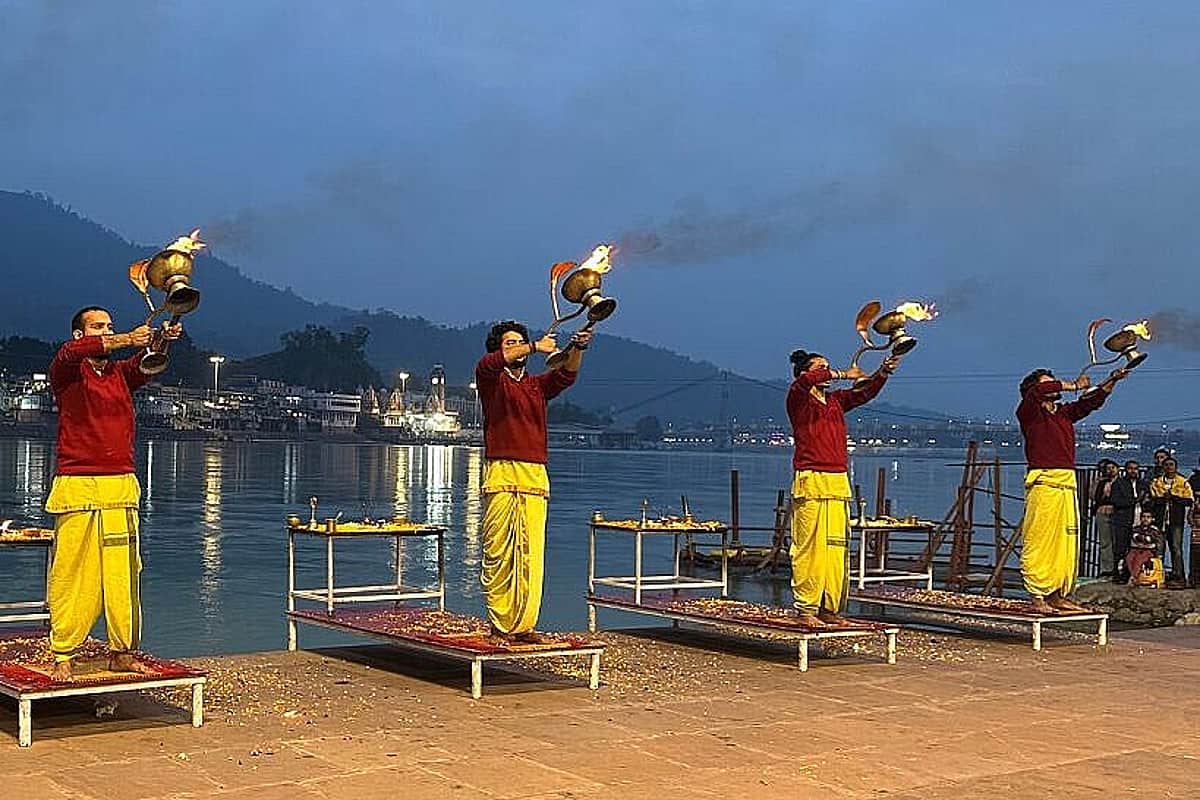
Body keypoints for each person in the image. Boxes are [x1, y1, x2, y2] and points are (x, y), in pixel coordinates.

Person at [46, 306, 181, 681]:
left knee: (124, 576)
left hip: (120, 485)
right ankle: (63, 652)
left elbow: (149, 365)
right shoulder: (68, 371)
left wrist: (162, 341)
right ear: (80, 334)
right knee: (71, 573)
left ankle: (121, 651)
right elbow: (68, 354)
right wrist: (125, 339)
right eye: (99, 327)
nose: (108, 331)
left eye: (110, 326)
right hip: (78, 485)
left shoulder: (120, 374)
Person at [474, 321, 591, 641]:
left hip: (534, 474)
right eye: (508, 344)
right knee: (498, 551)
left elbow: (566, 376)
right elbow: (487, 363)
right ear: (499, 348)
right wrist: (536, 346)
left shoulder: (536, 386)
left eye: (519, 342)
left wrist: (577, 347)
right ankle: (500, 623)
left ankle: (524, 625)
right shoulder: (491, 381)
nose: (514, 348)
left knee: (530, 554)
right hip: (500, 471)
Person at [786, 349, 901, 628]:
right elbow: (804, 383)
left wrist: (883, 371)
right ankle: (806, 608)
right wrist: (842, 374)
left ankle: (830, 607)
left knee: (835, 549)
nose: (827, 372)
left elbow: (864, 393)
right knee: (809, 548)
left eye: (828, 367)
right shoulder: (799, 398)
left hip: (837, 481)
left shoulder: (835, 401)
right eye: (820, 368)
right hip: (811, 480)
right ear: (806, 372)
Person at [1015, 366, 1129, 615]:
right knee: (1040, 540)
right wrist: (1073, 384)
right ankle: (1037, 595)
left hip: (1066, 483)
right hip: (1044, 483)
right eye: (1050, 383)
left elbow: (1091, 402)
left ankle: (1057, 595)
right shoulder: (1029, 411)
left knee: (1066, 542)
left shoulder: (1063, 414)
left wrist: (1112, 380)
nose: (1054, 385)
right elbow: (1038, 391)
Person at [1149, 457, 1194, 586]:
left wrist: (1174, 498)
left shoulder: (1183, 482)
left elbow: (1189, 500)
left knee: (1176, 548)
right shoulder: (1156, 482)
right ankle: (1158, 575)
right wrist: (1163, 499)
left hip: (1176, 521)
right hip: (1160, 521)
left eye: (1171, 465)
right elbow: (1153, 499)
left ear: (1176, 467)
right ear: (1163, 467)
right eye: (1166, 465)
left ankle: (1178, 575)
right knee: (1159, 549)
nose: (1169, 467)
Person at [1110, 460, 1148, 583]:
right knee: (1121, 548)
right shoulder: (1119, 483)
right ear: (1125, 470)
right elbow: (1115, 501)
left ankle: (1134, 574)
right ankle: (1118, 575)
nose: (1133, 471)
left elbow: (1148, 499)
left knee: (1136, 548)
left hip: (1140, 519)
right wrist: (1134, 501)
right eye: (1131, 468)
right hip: (1123, 520)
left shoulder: (1143, 484)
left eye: (1136, 468)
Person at [1091, 459, 1119, 577]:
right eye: (1107, 468)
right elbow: (1093, 496)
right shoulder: (1099, 482)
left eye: (1113, 468)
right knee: (1105, 542)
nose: (1109, 471)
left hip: (1117, 512)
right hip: (1102, 511)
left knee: (1117, 541)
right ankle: (1106, 569)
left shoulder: (1121, 482)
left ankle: (1117, 568)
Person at [1125, 510, 1162, 586]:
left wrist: (1142, 539)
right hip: (1136, 549)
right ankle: (1134, 577)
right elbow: (1134, 537)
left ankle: (1133, 577)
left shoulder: (1154, 530)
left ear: (1152, 519)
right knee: (1129, 558)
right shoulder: (1136, 528)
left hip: (1149, 551)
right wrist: (1144, 539)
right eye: (1144, 517)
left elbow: (1151, 539)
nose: (1145, 519)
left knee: (1139, 559)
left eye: (1148, 517)